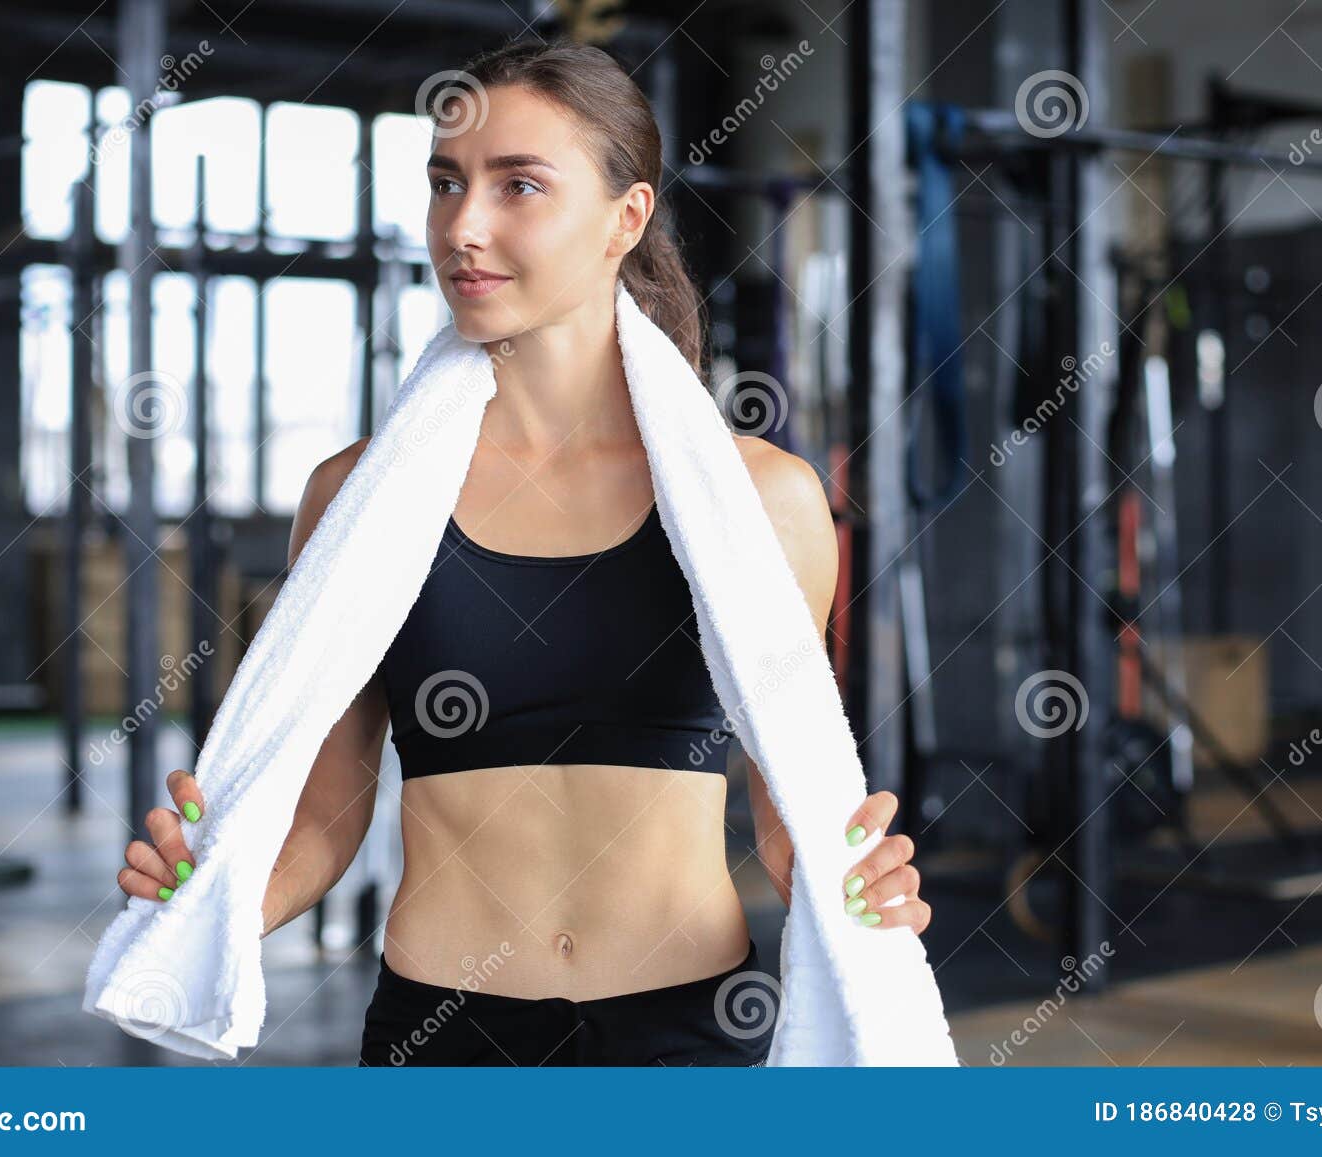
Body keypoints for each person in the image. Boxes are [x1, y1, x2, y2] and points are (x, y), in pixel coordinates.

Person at [116, 37, 931, 1065]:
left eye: (520, 186)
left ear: (623, 220)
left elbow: (790, 810)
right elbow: (326, 818)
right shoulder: (357, 498)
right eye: (447, 183)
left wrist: (860, 886)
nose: (464, 226)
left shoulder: (762, 499)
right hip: (443, 1036)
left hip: (689, 1035)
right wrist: (212, 890)